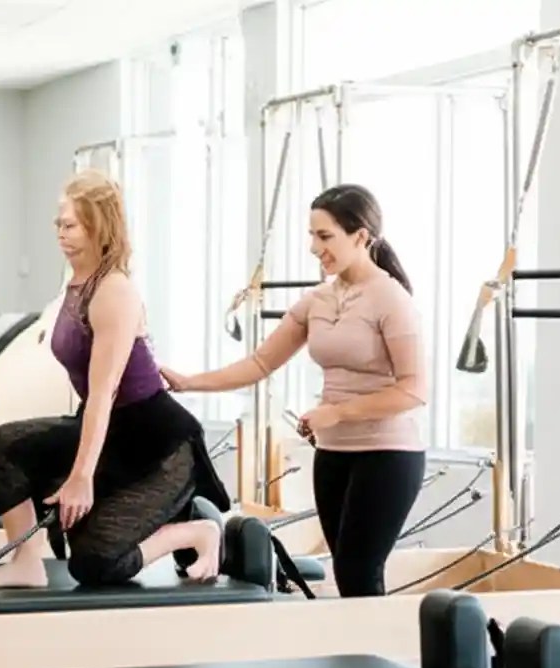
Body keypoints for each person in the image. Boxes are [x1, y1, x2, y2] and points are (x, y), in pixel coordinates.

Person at [0, 169, 230, 589]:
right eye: (59, 224)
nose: (60, 233)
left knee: (94, 565)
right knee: (5, 444)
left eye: (69, 225)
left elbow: (105, 392)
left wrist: (81, 476)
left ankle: (199, 532)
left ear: (98, 227)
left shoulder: (114, 291)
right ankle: (26, 564)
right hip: (111, 431)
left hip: (159, 445)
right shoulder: (75, 284)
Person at [161, 184, 428, 598]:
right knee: (345, 569)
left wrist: (337, 413)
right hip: (333, 454)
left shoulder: (392, 299)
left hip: (388, 455)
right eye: (311, 235)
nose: (313, 247)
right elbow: (260, 363)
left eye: (324, 236)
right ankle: (349, 658)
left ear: (361, 236)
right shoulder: (317, 300)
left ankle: (366, 659)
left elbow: (414, 390)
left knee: (360, 571)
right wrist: (189, 382)